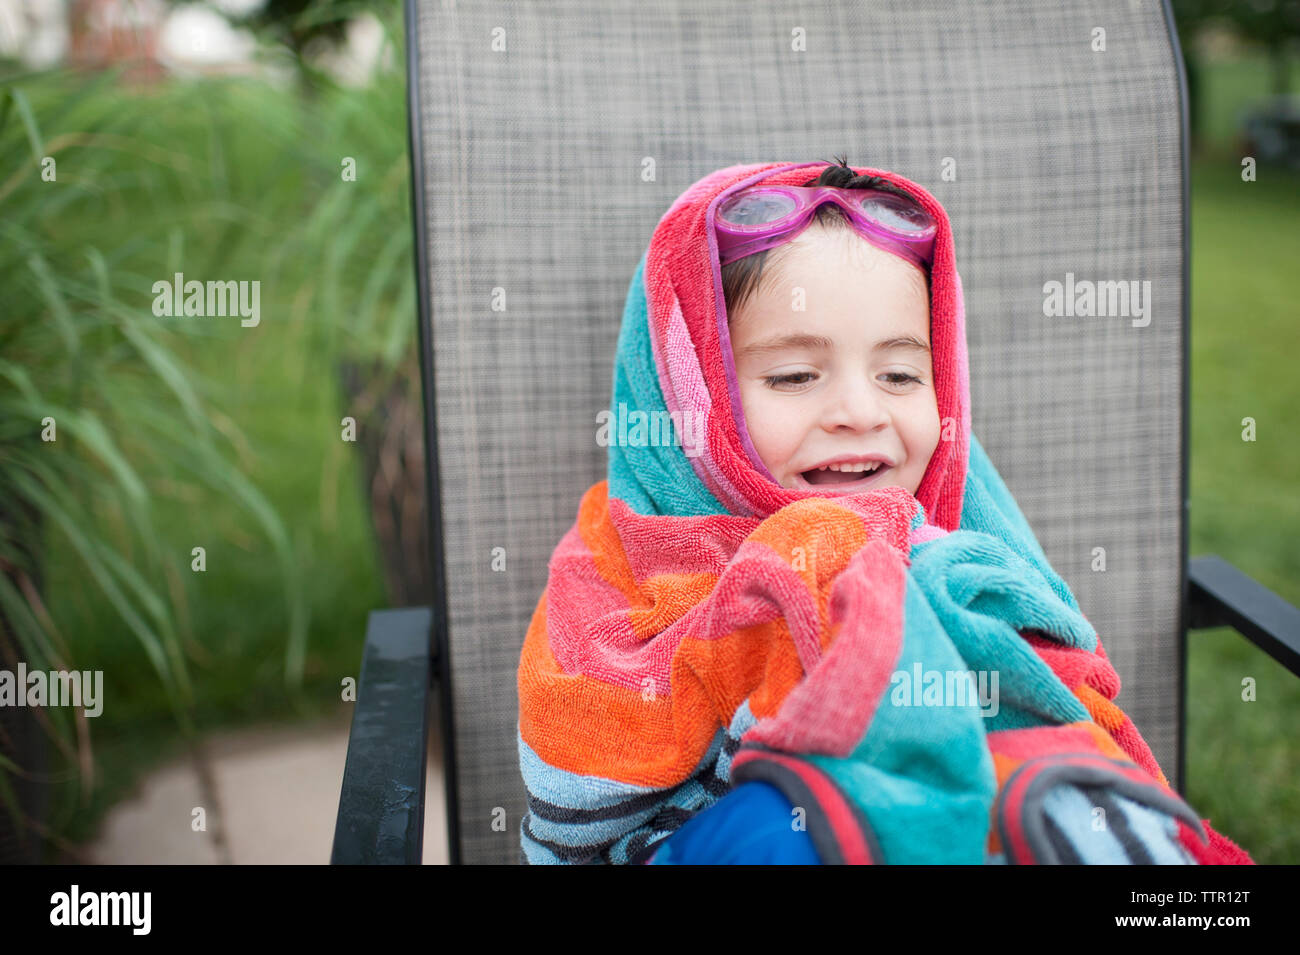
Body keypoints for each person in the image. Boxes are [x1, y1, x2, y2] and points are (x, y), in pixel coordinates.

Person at [516, 158, 1253, 865]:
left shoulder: (962, 539)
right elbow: (575, 799)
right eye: (796, 374)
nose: (859, 411)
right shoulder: (619, 574)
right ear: (686, 394)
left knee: (1056, 781)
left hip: (986, 810)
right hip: (736, 833)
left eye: (900, 373)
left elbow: (1055, 690)